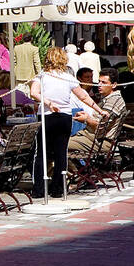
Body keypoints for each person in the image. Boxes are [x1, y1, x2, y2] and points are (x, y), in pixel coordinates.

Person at [30, 47, 102, 199]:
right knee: (60, 153)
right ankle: (58, 189)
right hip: (64, 117)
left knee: (41, 153)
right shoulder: (68, 78)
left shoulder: (41, 76)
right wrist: (99, 110)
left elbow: (33, 93)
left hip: (47, 116)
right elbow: (83, 96)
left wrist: (48, 102)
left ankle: (39, 189)